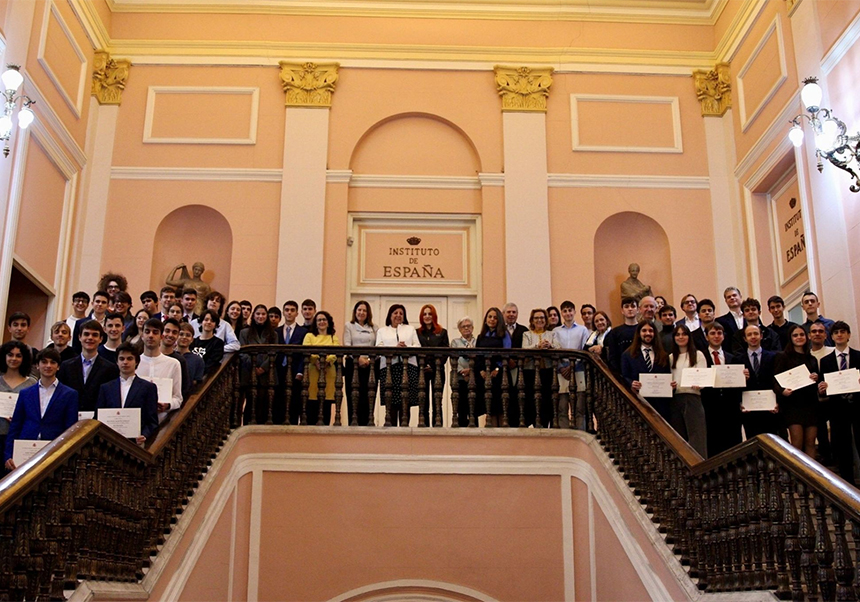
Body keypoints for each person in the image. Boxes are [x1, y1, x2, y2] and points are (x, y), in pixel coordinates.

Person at [4, 348, 78, 471]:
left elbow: (70, 429)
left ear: (58, 367)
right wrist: (8, 454)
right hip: (25, 450)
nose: (48, 366)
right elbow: (15, 426)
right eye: (44, 362)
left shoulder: (70, 394)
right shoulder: (25, 393)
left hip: (53, 449)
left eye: (52, 362)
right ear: (37, 366)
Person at [818, 321, 860, 485]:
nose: (840, 335)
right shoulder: (826, 361)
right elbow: (823, 387)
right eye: (836, 333)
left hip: (857, 407)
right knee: (842, 447)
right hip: (837, 409)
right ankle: (847, 484)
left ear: (849, 335)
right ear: (831, 336)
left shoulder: (859, 356)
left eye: (843, 332)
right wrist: (822, 388)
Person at [96, 343, 159, 444]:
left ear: (137, 361)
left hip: (135, 444)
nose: (125, 362)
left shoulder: (148, 388)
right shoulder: (106, 388)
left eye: (129, 359)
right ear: (116, 362)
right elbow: (99, 417)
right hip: (109, 442)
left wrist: (144, 435)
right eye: (121, 359)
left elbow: (152, 421)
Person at [773, 325, 821, 457]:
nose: (799, 337)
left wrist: (816, 377)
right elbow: (775, 381)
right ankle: (796, 476)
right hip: (793, 405)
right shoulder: (783, 357)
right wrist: (782, 391)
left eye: (801, 334)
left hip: (811, 404)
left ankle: (810, 476)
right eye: (795, 335)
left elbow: (818, 382)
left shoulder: (812, 359)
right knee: (797, 443)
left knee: (811, 442)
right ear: (790, 338)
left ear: (806, 337)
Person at [700, 322, 744, 456]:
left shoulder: (732, 358)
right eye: (712, 333)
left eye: (719, 333)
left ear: (724, 336)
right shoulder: (700, 357)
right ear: (706, 337)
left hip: (730, 407)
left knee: (732, 444)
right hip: (709, 406)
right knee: (712, 443)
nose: (716, 336)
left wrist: (743, 376)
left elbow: (738, 386)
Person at [57, 320, 120, 413]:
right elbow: (60, 395)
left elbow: (110, 399)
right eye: (86, 334)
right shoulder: (66, 366)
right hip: (69, 418)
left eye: (95, 335)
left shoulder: (111, 369)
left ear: (101, 339)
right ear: (79, 337)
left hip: (97, 421)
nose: (90, 338)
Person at [375, 304, 420, 427]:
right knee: (391, 402)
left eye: (401, 313)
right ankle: (391, 427)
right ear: (390, 316)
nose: (398, 315)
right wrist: (394, 350)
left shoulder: (410, 329)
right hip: (390, 368)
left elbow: (417, 346)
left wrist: (406, 348)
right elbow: (379, 348)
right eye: (395, 313)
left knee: (406, 402)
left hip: (407, 367)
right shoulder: (382, 331)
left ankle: (405, 427)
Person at [668, 324, 708, 457]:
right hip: (676, 399)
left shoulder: (698, 355)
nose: (681, 337)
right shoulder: (671, 357)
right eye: (677, 334)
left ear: (689, 337)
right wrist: (670, 385)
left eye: (684, 334)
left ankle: (700, 467)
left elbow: (703, 376)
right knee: (679, 437)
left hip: (693, 398)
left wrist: (699, 384)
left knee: (697, 437)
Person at [621, 320, 671, 421]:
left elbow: (667, 375)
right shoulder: (628, 355)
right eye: (644, 331)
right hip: (639, 402)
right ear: (639, 334)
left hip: (660, 405)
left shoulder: (663, 355)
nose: (648, 333)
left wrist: (670, 385)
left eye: (651, 331)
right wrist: (631, 383)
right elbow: (624, 376)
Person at [740, 323, 783, 441]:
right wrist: (740, 403)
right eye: (749, 335)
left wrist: (777, 402)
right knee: (752, 443)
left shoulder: (773, 357)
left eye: (755, 333)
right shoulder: (738, 359)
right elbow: (736, 386)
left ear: (761, 336)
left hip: (770, 409)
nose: (753, 337)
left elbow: (777, 380)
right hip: (749, 410)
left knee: (772, 443)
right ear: (745, 338)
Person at [239, 305, 279, 424]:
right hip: (250, 371)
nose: (260, 316)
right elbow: (243, 352)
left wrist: (263, 368)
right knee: (251, 401)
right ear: (253, 316)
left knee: (265, 402)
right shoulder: (244, 332)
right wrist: (254, 366)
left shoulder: (273, 334)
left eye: (263, 314)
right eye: (258, 314)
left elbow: (274, 352)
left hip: (267, 372)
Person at [137, 318, 183, 422]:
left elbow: (178, 398)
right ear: (142, 336)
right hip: (137, 420)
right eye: (147, 332)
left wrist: (167, 405)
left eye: (155, 332)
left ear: (161, 337)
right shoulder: (134, 363)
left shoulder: (173, 364)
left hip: (163, 421)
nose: (151, 335)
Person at [522, 308, 560, 428]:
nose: (539, 320)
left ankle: (545, 423)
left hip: (547, 371)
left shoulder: (551, 333)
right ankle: (534, 422)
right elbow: (524, 349)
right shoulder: (527, 334)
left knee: (547, 399)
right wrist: (538, 346)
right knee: (531, 399)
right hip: (531, 372)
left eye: (542, 318)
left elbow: (559, 347)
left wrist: (550, 345)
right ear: (532, 321)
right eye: (536, 318)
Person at [0, 341, 37, 464]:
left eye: (18, 355)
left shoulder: (32, 383)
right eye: (10, 355)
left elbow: (35, 412)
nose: (13, 359)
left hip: (19, 437)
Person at [554, 300, 589, 429]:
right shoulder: (556, 331)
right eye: (565, 311)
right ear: (562, 313)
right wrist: (562, 367)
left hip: (578, 369)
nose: (568, 313)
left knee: (580, 405)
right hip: (561, 370)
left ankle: (581, 432)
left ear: (574, 312)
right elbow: (555, 350)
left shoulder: (582, 329)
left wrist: (573, 366)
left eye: (570, 310)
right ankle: (564, 433)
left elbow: (584, 349)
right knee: (562, 405)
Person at [343, 300, 378, 427]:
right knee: (353, 395)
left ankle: (368, 422)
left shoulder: (374, 328)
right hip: (353, 365)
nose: (362, 313)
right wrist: (358, 359)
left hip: (370, 366)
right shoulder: (349, 326)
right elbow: (347, 345)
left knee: (368, 396)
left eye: (364, 310)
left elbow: (378, 346)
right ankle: (353, 422)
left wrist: (368, 360)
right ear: (355, 312)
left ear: (368, 313)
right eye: (359, 310)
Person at [302, 311, 340, 426]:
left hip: (329, 372)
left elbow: (336, 352)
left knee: (326, 404)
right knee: (311, 403)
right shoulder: (309, 336)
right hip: (313, 371)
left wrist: (326, 362)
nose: (322, 322)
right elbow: (306, 350)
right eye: (319, 320)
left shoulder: (334, 337)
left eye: (324, 320)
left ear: (328, 323)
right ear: (315, 323)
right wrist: (316, 361)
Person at [475, 308, 510, 427]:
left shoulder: (504, 335)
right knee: (488, 406)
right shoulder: (481, 336)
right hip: (484, 374)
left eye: (495, 317)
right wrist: (481, 370)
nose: (492, 319)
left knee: (499, 405)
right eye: (489, 317)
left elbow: (506, 353)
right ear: (485, 320)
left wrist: (497, 369)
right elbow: (478, 356)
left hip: (499, 374)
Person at [277, 300, 309, 426]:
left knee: (295, 400)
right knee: (279, 399)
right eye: (287, 310)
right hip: (279, 370)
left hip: (296, 370)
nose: (289, 313)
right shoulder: (276, 331)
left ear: (297, 313)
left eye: (292, 310)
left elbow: (304, 354)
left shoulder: (303, 332)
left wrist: (301, 371)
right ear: (283, 313)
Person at [417, 304, 449, 427]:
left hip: (438, 370)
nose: (427, 316)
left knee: (437, 400)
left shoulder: (442, 332)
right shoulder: (417, 333)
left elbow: (445, 353)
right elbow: (416, 350)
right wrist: (424, 364)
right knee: (423, 400)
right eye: (425, 314)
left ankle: (438, 425)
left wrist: (434, 365)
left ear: (434, 315)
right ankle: (423, 426)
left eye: (430, 313)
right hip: (422, 370)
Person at [808, 320, 835, 465]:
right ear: (809, 336)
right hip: (814, 401)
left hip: (833, 400)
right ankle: (825, 456)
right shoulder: (806, 356)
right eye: (814, 331)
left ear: (825, 335)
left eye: (820, 331)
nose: (817, 334)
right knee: (820, 430)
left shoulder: (832, 352)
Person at [450, 316, 478, 427]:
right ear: (459, 329)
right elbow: (454, 359)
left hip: (474, 378)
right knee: (461, 407)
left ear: (473, 327)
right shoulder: (455, 342)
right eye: (463, 326)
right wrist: (463, 371)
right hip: (459, 379)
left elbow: (480, 359)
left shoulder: (477, 342)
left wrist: (471, 371)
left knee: (473, 407)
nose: (466, 328)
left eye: (468, 326)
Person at [605, 297, 639, 372]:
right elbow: (613, 357)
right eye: (626, 306)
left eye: (633, 306)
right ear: (622, 311)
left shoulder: (643, 330)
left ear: (638, 310)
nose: (630, 309)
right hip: (622, 372)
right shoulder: (615, 332)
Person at [161, 319, 191, 400]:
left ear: (177, 336)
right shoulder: (150, 356)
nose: (170, 335)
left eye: (174, 332)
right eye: (167, 331)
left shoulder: (180, 361)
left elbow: (184, 389)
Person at [189, 310, 226, 375]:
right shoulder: (192, 341)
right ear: (201, 322)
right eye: (206, 320)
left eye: (212, 321)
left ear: (215, 325)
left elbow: (212, 363)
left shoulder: (218, 343)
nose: (209, 322)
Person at [177, 322, 205, 388]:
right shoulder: (170, 356)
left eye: (188, 335)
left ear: (192, 339)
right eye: (181, 334)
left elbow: (196, 382)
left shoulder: (198, 360)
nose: (184, 337)